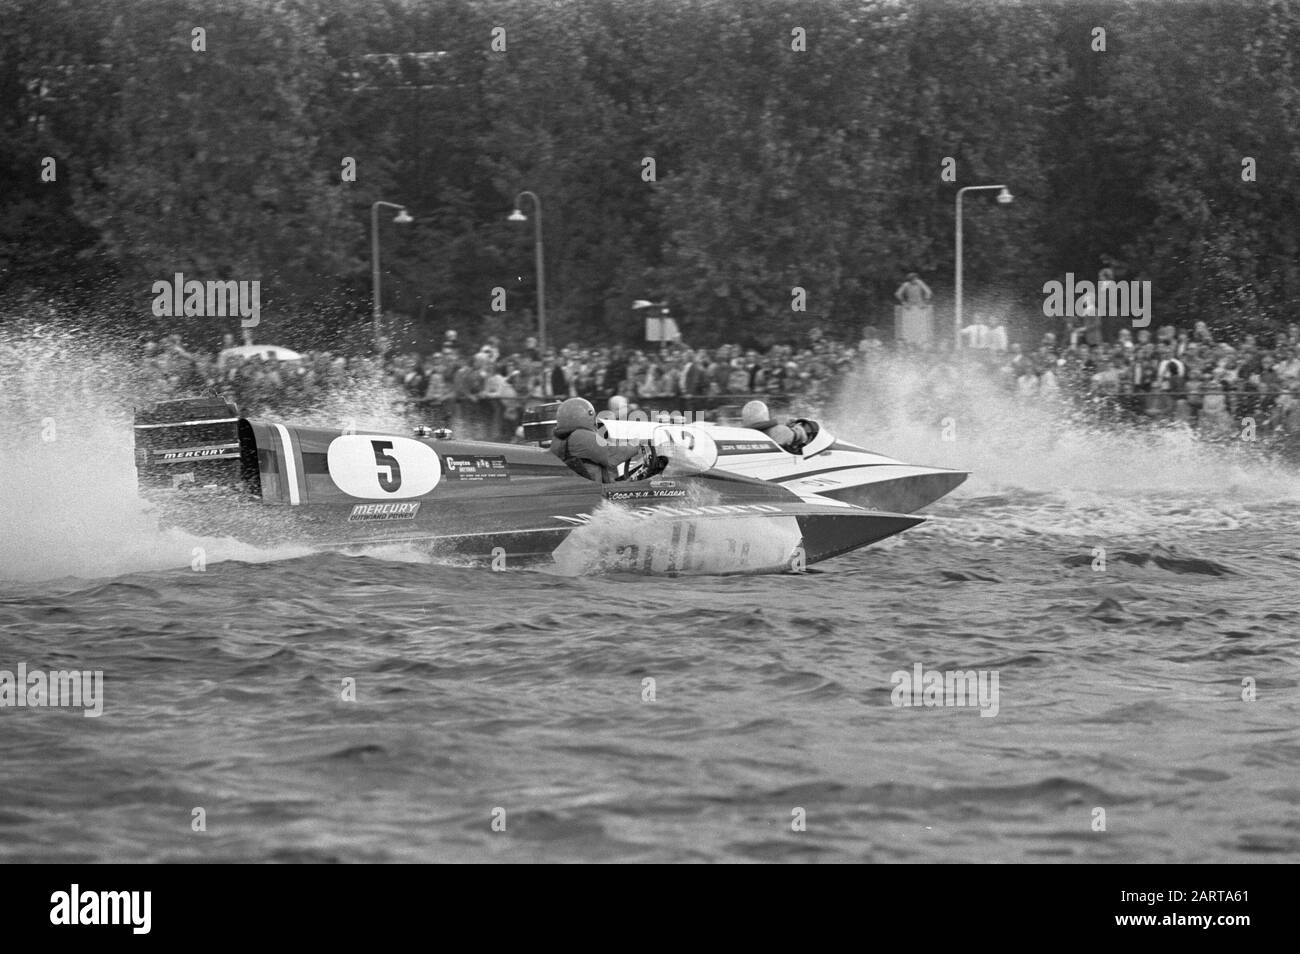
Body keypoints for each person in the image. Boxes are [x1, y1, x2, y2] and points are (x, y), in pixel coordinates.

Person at [550, 397, 643, 482]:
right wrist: (636, 444)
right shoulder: (580, 437)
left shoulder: (559, 437)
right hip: (593, 491)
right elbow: (612, 454)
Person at [740, 399, 810, 454]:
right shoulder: (780, 430)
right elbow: (801, 437)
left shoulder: (741, 435)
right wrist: (798, 428)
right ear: (765, 414)